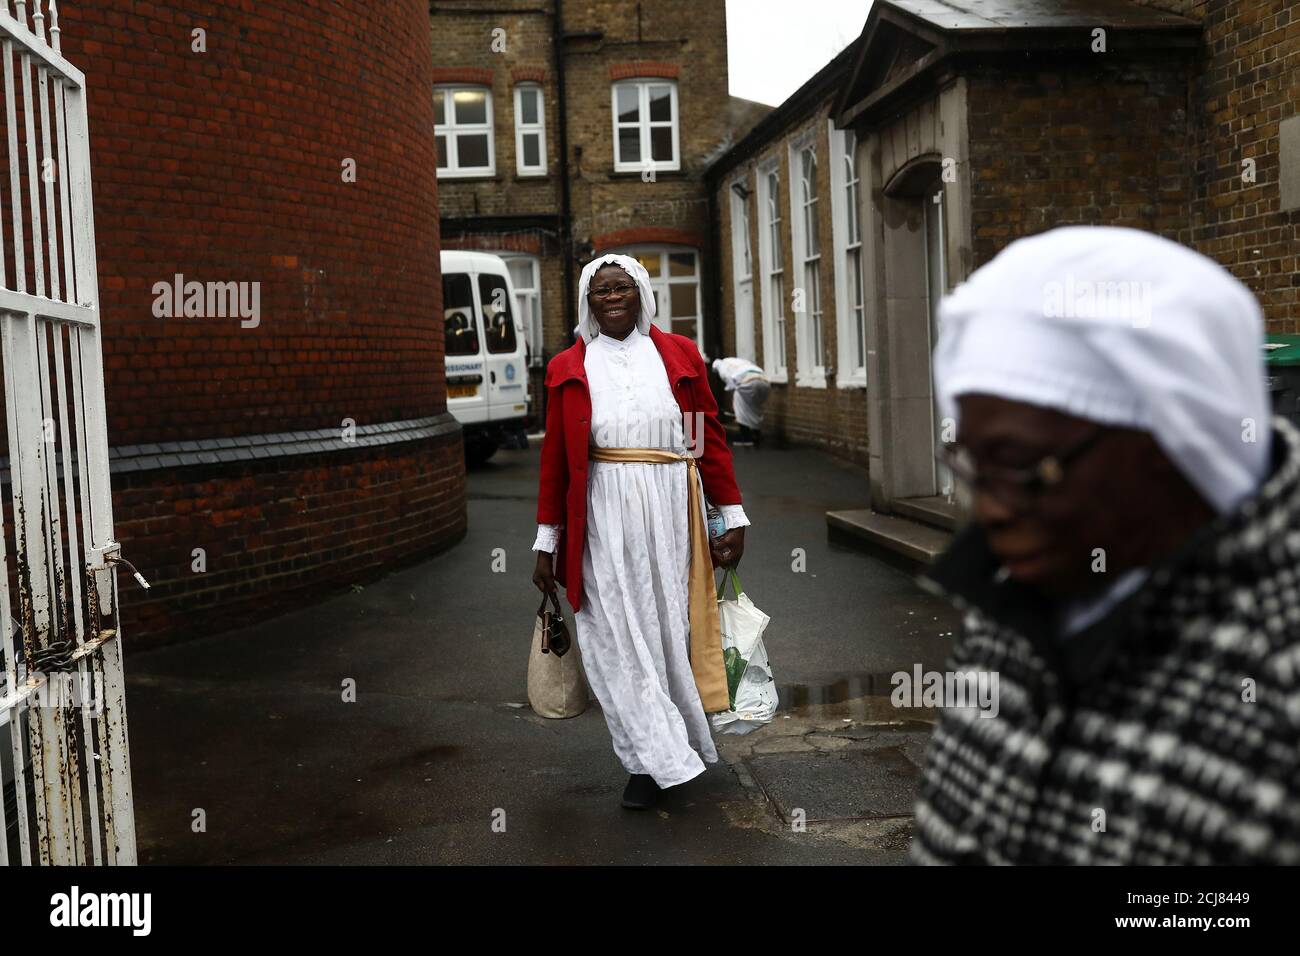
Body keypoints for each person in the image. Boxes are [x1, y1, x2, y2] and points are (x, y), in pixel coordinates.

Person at [912, 225, 1300, 865]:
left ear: (1175, 441)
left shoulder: (1275, 683)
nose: (988, 510)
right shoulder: (1025, 591)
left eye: (1020, 464)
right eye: (971, 462)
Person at [531, 253, 750, 810]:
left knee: (669, 630)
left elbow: (705, 440)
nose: (611, 298)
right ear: (588, 301)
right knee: (614, 637)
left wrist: (730, 517)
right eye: (600, 290)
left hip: (673, 509)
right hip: (601, 512)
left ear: (642, 294)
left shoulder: (679, 355)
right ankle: (645, 761)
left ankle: (676, 749)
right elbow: (555, 461)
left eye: (621, 288)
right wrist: (546, 543)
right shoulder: (567, 367)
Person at [712, 356, 770, 446]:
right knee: (754, 409)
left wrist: (732, 402)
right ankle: (756, 435)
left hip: (748, 382)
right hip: (764, 382)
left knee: (740, 410)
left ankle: (746, 439)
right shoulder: (737, 361)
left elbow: (730, 383)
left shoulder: (721, 367)